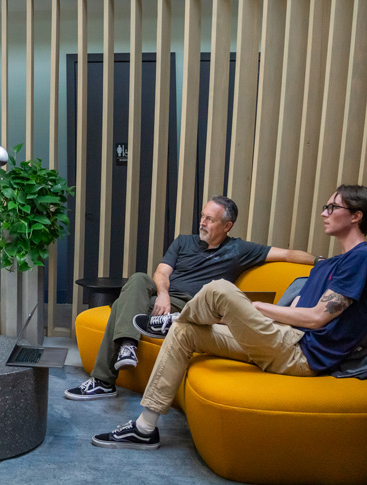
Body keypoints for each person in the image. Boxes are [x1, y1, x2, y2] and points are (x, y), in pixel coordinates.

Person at [92, 185, 367, 449]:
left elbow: (318, 318)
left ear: (356, 216)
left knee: (219, 288)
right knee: (185, 333)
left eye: (332, 207)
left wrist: (252, 309)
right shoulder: (329, 264)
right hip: (282, 338)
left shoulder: (361, 257)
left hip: (302, 353)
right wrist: (245, 315)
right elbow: (296, 306)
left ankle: (177, 318)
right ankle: (144, 428)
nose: (324, 213)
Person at [65, 195, 317, 400]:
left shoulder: (239, 250)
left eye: (210, 219)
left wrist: (324, 262)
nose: (203, 222)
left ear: (227, 226)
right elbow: (162, 272)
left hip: (193, 308)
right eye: (202, 217)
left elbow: (287, 255)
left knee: (121, 304)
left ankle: (103, 381)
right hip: (164, 301)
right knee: (140, 278)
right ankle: (127, 347)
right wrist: (162, 294)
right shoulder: (184, 242)